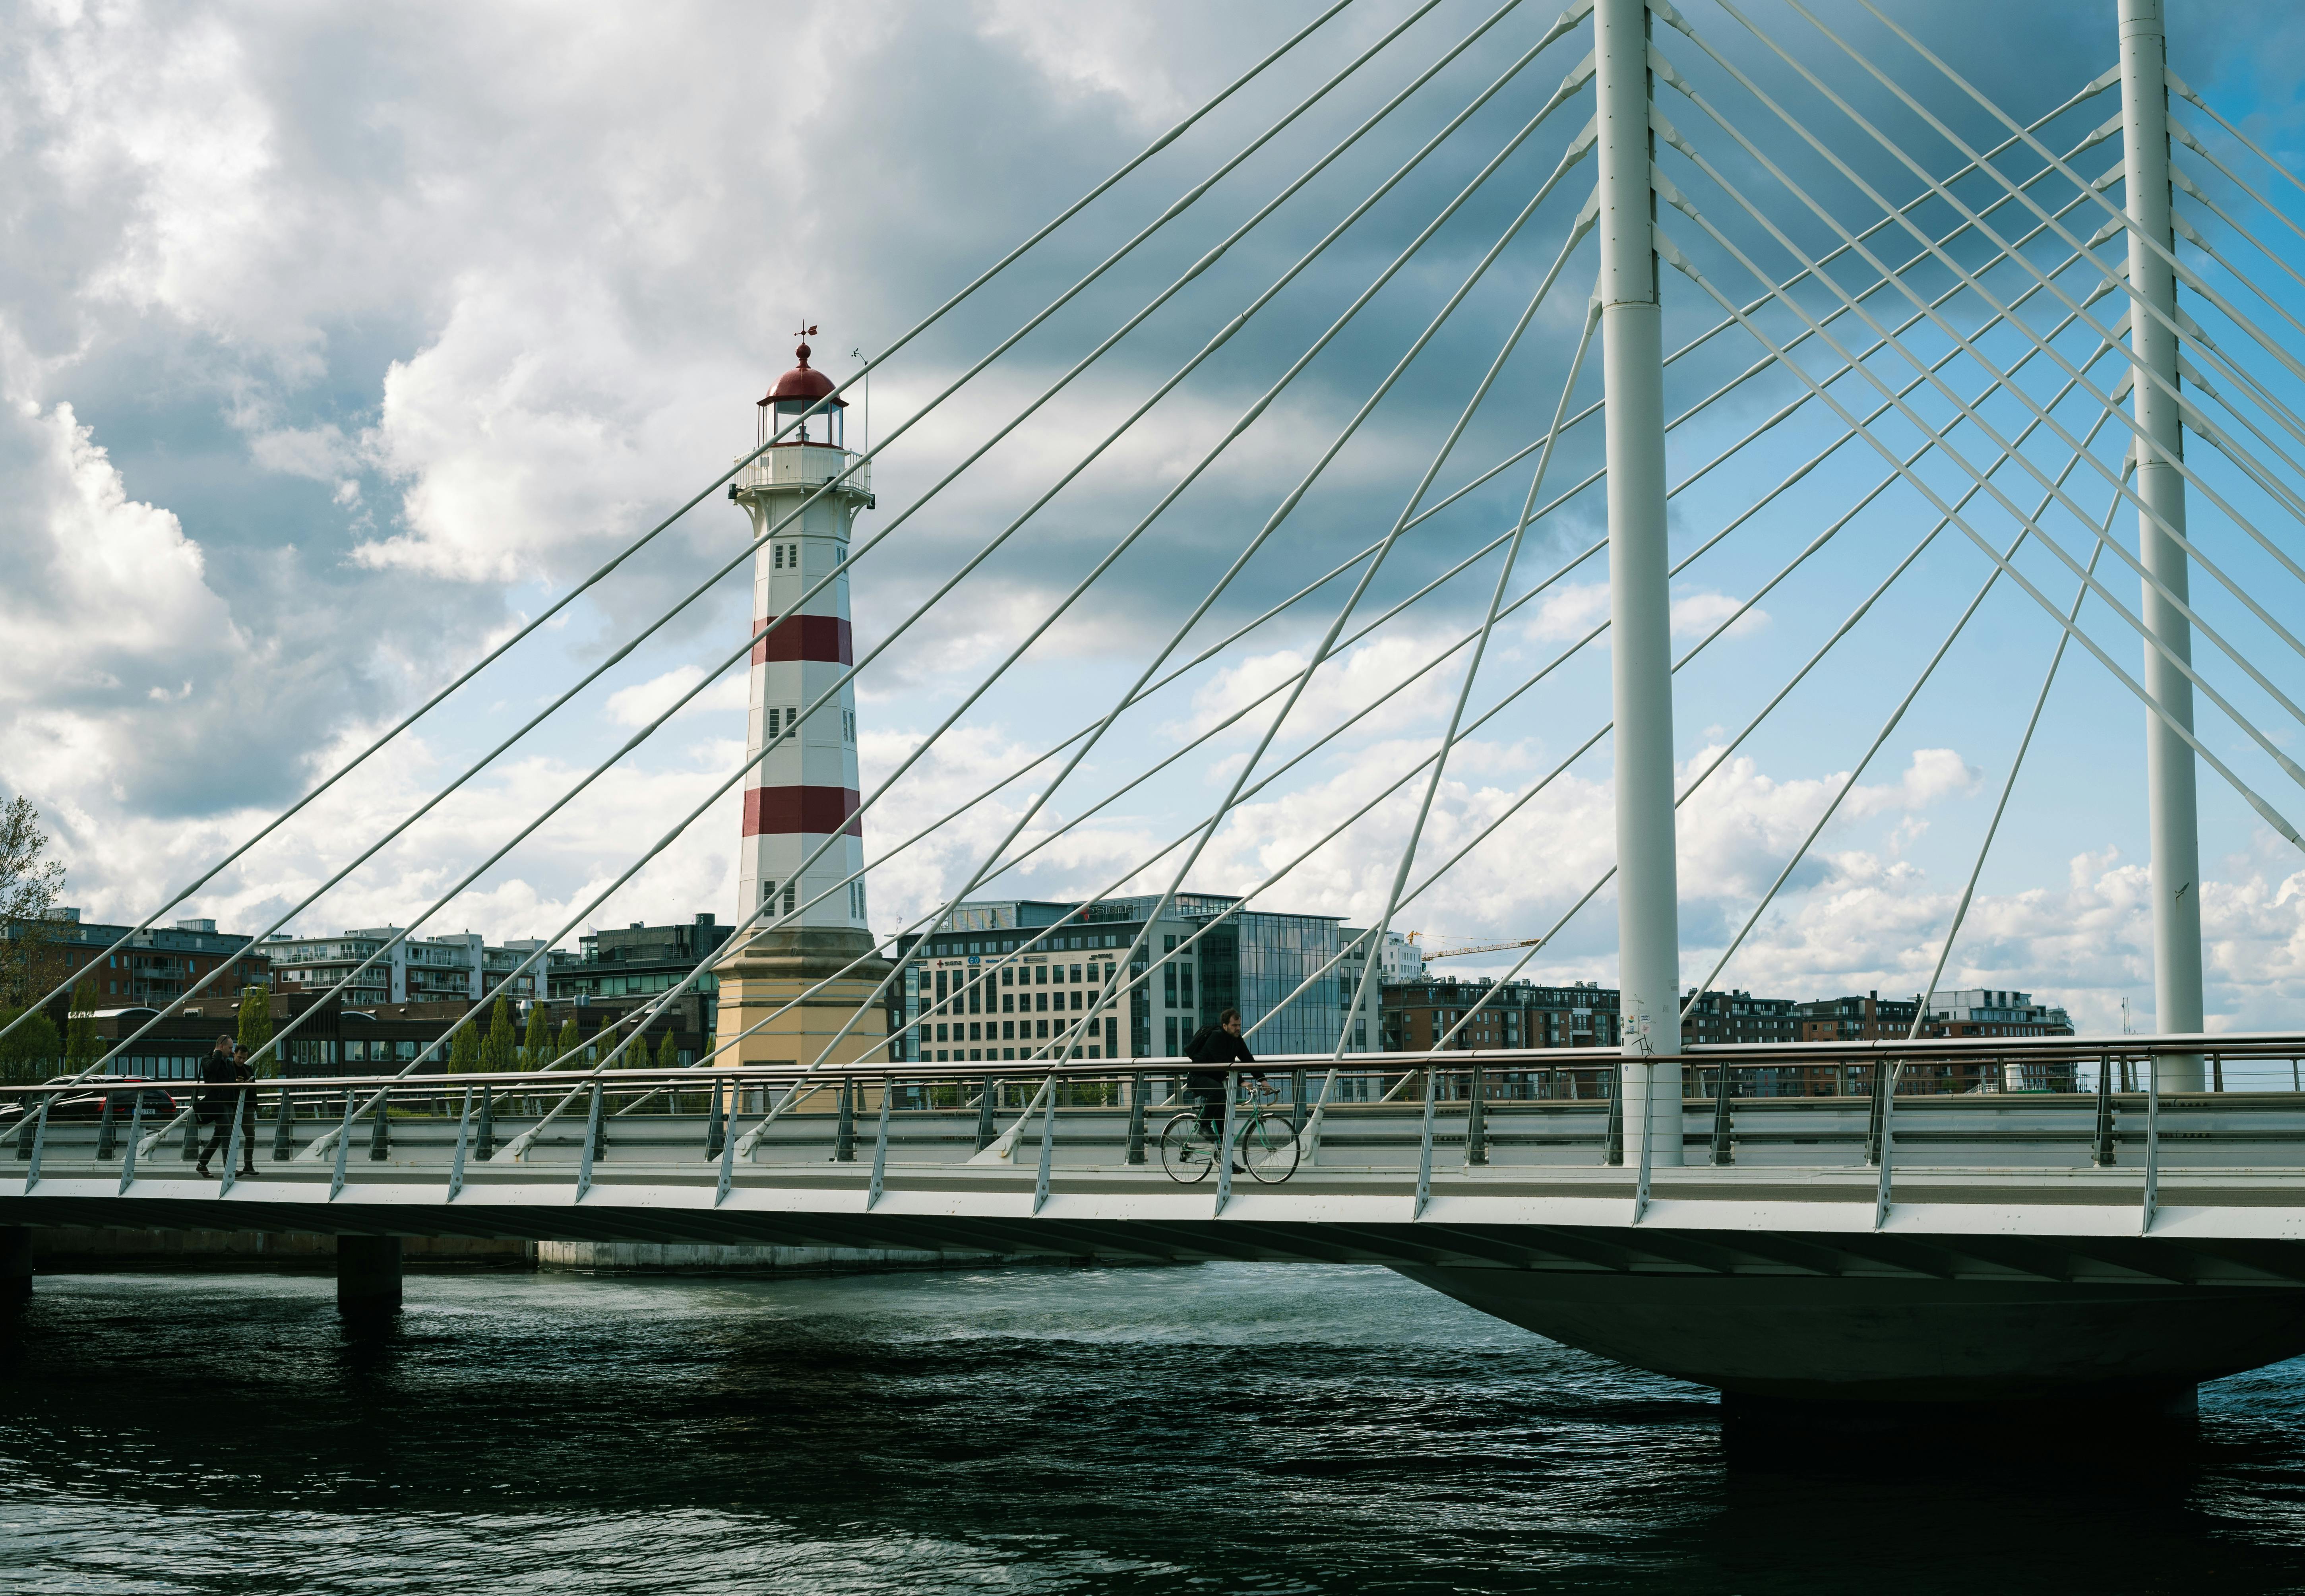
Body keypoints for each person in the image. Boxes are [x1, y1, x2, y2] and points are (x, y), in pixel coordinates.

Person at [1182, 1008, 1263, 1156]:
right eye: (1234, 1025)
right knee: (1218, 1091)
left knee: (1223, 1126)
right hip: (1197, 1079)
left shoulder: (1237, 1041)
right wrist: (1242, 1082)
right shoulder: (1216, 1037)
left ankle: (1224, 1160)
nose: (1238, 1028)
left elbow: (1248, 1061)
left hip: (1214, 1083)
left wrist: (1262, 1080)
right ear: (1225, 1026)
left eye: (1239, 1025)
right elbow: (1223, 1062)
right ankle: (1203, 1125)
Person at [194, 1035, 253, 1178]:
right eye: (230, 1048)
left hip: (228, 1103)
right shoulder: (208, 1059)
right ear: (222, 1046)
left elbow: (228, 1081)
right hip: (217, 1104)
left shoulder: (227, 1062)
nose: (232, 1051)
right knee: (227, 1134)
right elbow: (212, 1068)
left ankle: (202, 1164)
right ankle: (230, 1168)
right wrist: (218, 1054)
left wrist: (240, 1083)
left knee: (219, 1136)